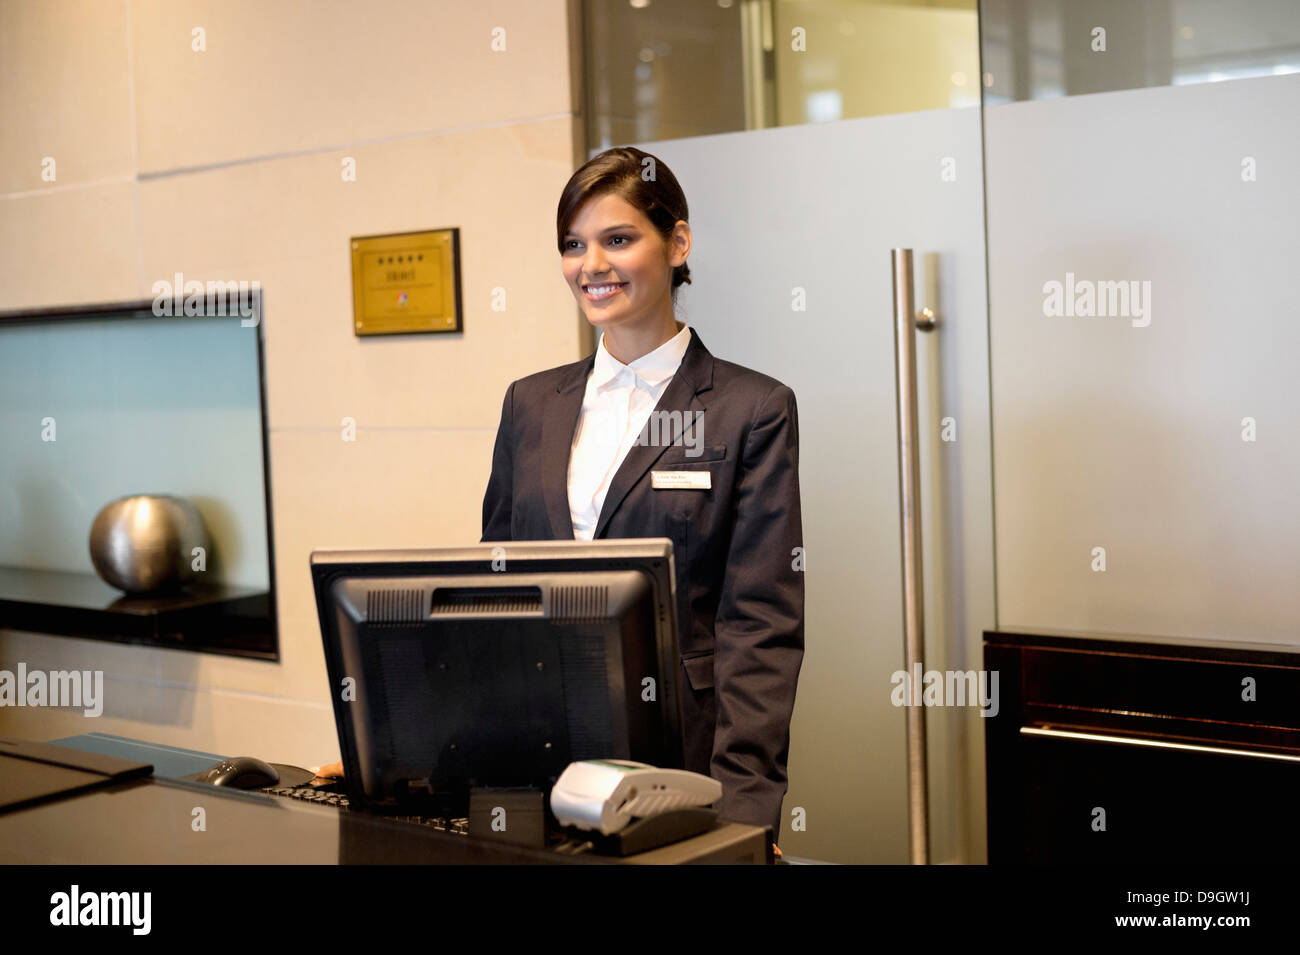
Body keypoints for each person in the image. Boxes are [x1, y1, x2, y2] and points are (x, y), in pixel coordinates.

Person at [479, 146, 805, 854]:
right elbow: (491, 596)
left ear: (677, 243)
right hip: (540, 763)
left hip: (681, 763)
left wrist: (745, 811)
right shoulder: (529, 404)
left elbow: (760, 626)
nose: (591, 264)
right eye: (573, 244)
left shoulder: (751, 408)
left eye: (618, 238)